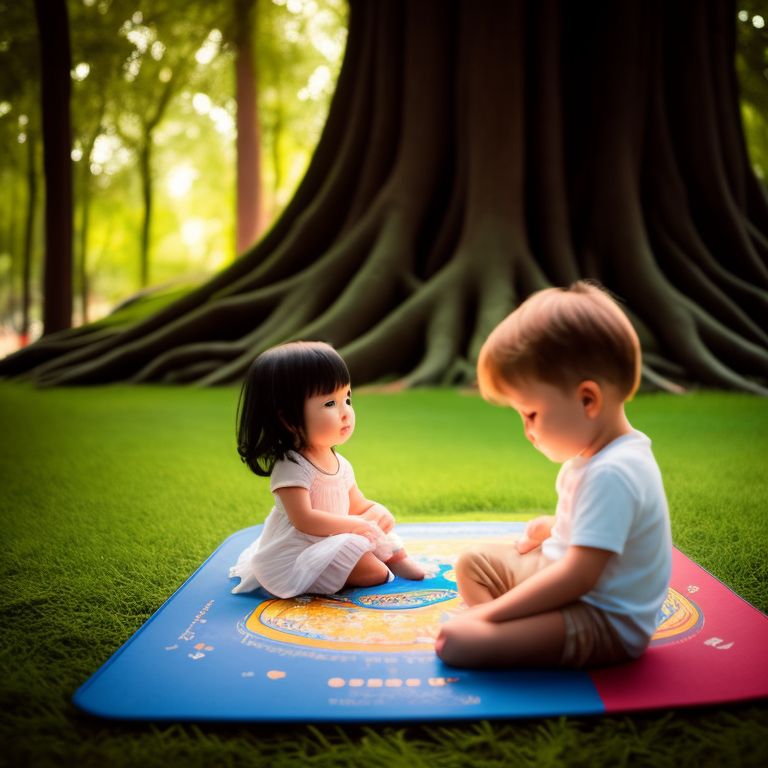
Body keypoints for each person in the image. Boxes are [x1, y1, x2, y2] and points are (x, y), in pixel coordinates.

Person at [435, 281, 672, 669]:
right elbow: (596, 538)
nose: (526, 431)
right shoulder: (594, 457)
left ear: (587, 400)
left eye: (531, 414)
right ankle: (523, 628)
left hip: (600, 618)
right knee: (472, 564)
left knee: (458, 641)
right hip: (564, 583)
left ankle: (512, 633)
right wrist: (555, 527)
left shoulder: (614, 472)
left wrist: (488, 616)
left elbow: (580, 576)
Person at [229, 340, 424, 598]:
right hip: (300, 553)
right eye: (330, 404)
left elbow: (357, 504)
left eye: (347, 398)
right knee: (368, 563)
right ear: (288, 419)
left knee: (375, 530)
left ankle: (396, 559)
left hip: (333, 539)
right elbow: (305, 520)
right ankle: (333, 576)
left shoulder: (340, 464)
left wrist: (375, 511)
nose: (346, 412)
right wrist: (354, 525)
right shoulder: (293, 465)